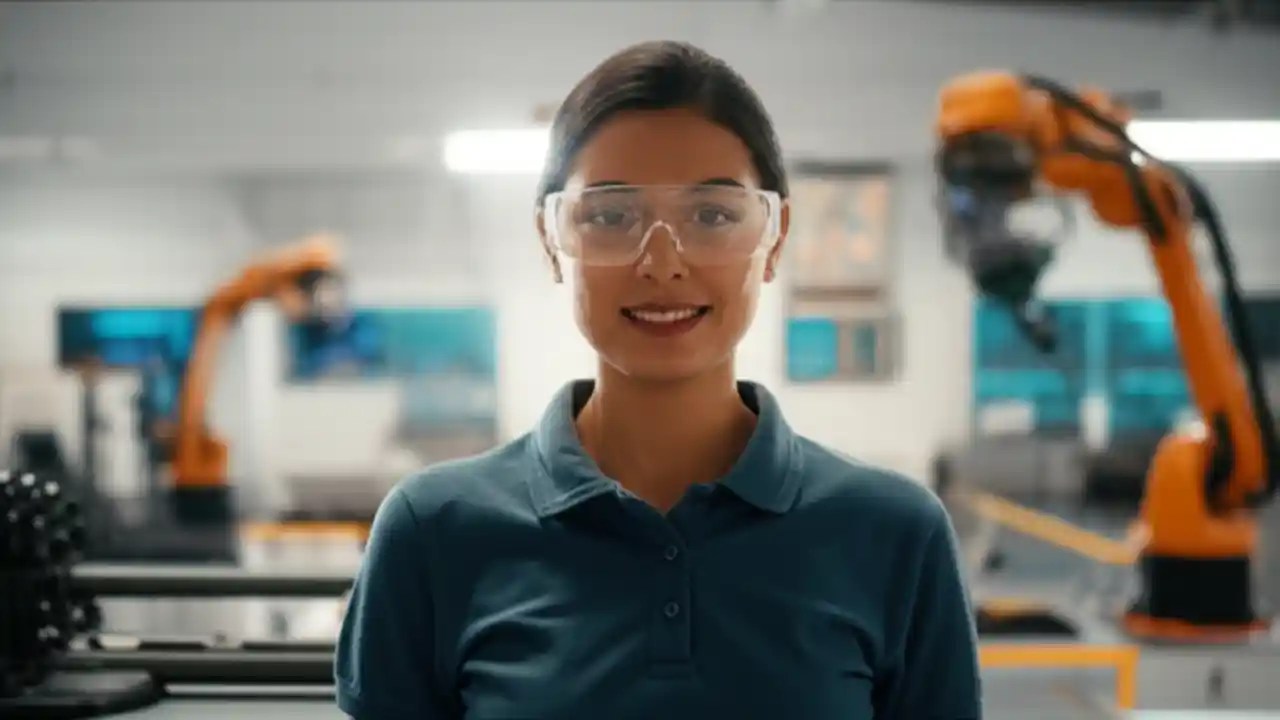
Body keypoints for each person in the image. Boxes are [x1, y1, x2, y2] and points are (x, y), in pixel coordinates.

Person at [335, 40, 982, 720]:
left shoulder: (894, 536)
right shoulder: (434, 532)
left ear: (775, 237)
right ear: (553, 241)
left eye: (712, 215)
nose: (663, 263)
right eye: (612, 216)